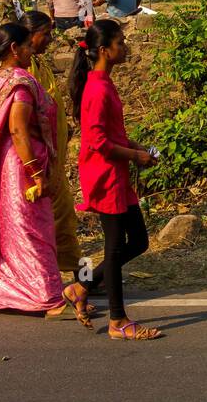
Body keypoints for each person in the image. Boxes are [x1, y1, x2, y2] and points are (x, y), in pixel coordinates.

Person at [0, 24, 72, 317]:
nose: (31, 51)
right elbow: (18, 128)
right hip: (21, 164)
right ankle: (45, 295)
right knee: (33, 228)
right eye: (27, 46)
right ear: (14, 48)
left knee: (7, 227)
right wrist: (36, 171)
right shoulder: (20, 81)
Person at [69, 19, 160, 340]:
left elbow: (113, 134)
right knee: (114, 247)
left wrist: (138, 149)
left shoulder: (105, 83)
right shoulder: (96, 88)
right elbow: (96, 141)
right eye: (120, 42)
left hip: (116, 173)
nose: (125, 46)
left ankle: (82, 286)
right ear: (105, 50)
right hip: (104, 175)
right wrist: (135, 156)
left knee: (137, 241)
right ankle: (118, 321)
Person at [22, 11, 83, 288]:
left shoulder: (39, 63)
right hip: (37, 162)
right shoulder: (22, 71)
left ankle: (78, 277)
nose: (49, 39)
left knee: (65, 218)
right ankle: (47, 281)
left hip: (54, 158)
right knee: (46, 223)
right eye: (44, 34)